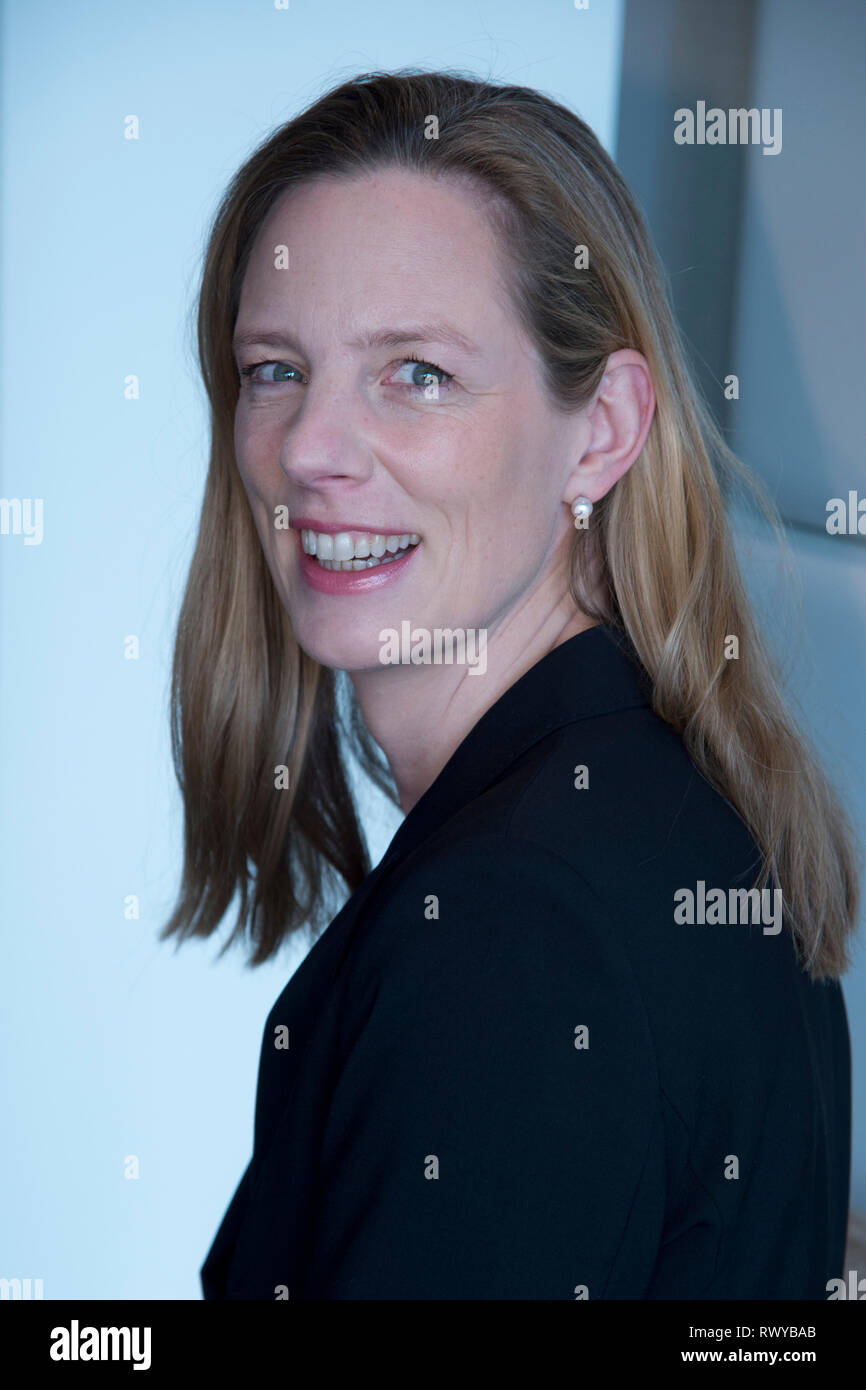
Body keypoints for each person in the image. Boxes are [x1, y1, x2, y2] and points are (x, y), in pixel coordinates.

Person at [162, 71, 858, 1299]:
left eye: (416, 372)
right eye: (275, 368)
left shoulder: (516, 926)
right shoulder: (646, 813)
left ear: (599, 430)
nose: (311, 447)